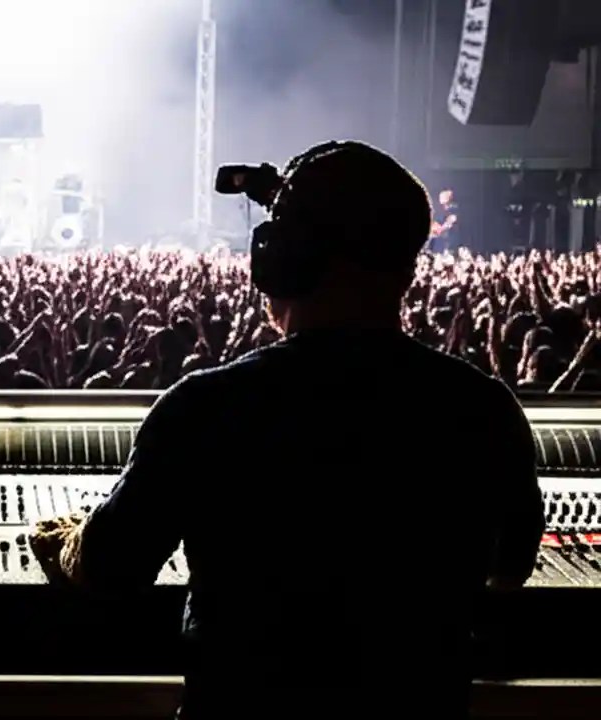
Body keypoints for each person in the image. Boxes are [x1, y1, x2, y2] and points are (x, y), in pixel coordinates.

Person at [30, 141, 544, 719]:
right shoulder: (482, 409)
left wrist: (63, 533)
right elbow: (511, 568)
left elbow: (108, 571)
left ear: (282, 258)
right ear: (404, 269)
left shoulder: (206, 407)